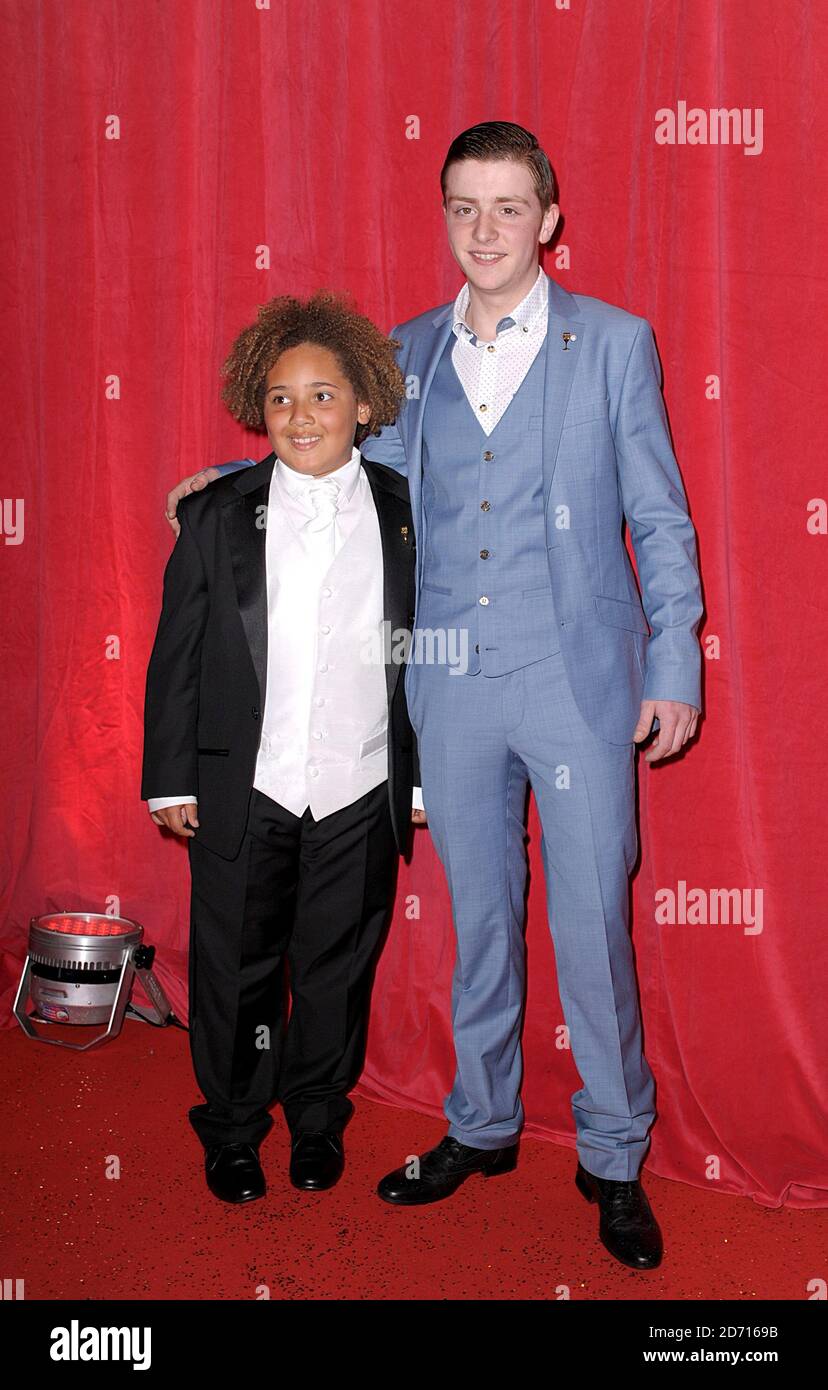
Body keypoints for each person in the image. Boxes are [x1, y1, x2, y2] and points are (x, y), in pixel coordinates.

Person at [165, 121, 703, 1270]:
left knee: (594, 928)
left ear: (549, 219)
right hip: (448, 688)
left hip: (580, 683)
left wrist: (673, 664)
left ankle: (613, 1156)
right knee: (482, 928)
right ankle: (483, 1123)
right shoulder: (402, 355)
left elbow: (657, 515)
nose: (486, 230)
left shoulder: (616, 342)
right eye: (465, 207)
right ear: (446, 216)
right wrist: (220, 484)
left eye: (510, 207)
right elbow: (332, 460)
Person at [142, 291, 425, 1204]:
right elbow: (175, 654)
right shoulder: (217, 513)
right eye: (280, 398)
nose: (301, 415)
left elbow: (425, 650)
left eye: (323, 395)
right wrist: (169, 778)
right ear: (257, 412)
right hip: (245, 785)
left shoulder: (408, 511)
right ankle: (231, 1129)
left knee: (337, 968)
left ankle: (315, 1119)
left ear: (366, 406)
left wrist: (414, 777)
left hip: (361, 782)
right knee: (237, 968)